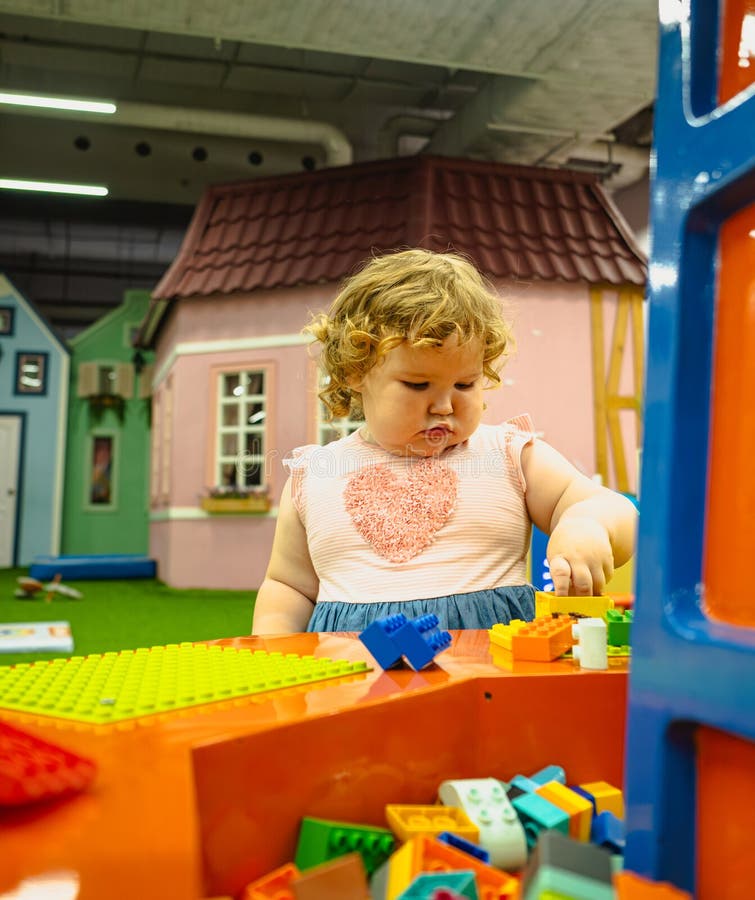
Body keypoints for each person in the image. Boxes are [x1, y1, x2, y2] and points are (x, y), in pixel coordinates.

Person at [252, 249, 637, 634]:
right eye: (418, 385)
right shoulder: (315, 475)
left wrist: (587, 523)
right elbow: (289, 587)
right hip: (353, 680)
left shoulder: (507, 455)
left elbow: (609, 508)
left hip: (490, 675)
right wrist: (274, 650)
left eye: (465, 384)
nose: (444, 405)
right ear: (357, 372)